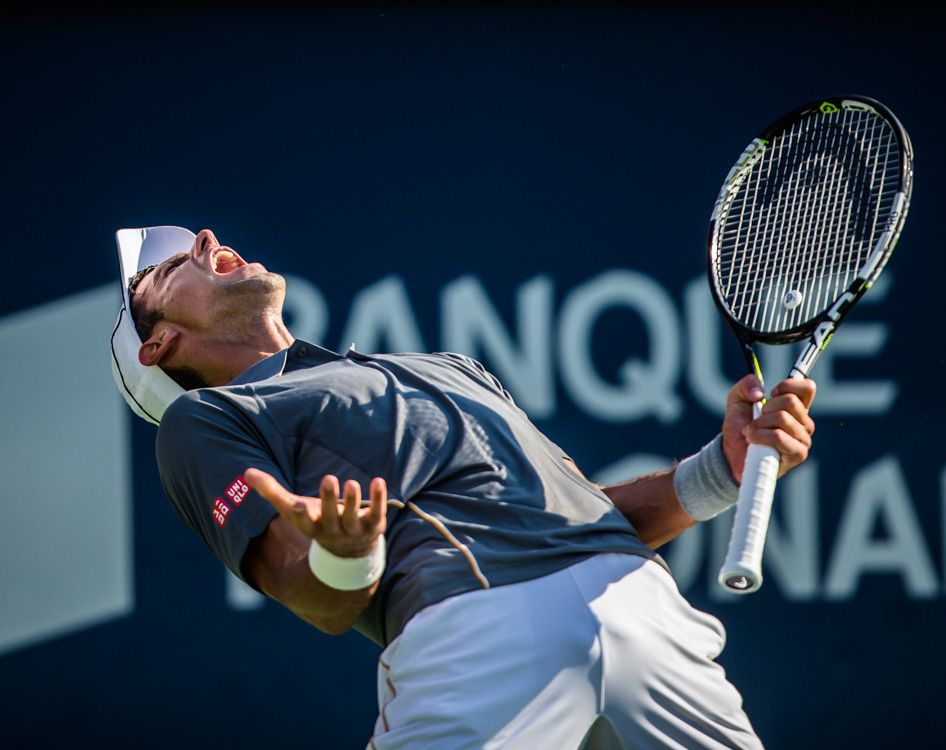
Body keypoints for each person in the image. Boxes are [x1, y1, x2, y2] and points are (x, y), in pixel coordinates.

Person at [111, 226, 816, 749]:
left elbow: (584, 514)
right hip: (477, 632)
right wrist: (347, 553)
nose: (206, 238)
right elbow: (313, 594)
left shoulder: (449, 365)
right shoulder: (203, 420)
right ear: (158, 344)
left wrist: (718, 471)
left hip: (647, 611)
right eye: (171, 266)